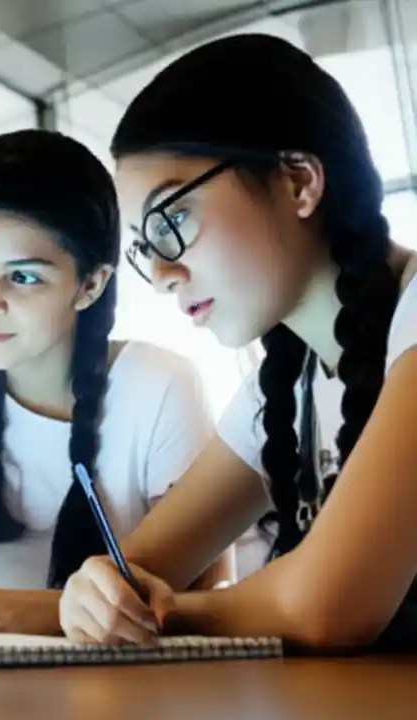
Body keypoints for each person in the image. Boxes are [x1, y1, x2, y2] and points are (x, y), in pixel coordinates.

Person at [58, 34, 417, 652]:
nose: (164, 274)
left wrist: (171, 612)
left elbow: (327, 603)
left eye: (171, 221)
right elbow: (139, 572)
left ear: (299, 181)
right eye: (146, 247)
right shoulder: (287, 379)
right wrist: (88, 595)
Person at [0, 130, 216, 646]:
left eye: (22, 278)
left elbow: (201, 591)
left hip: (136, 685)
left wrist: (46, 612)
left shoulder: (159, 386)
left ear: (90, 284)